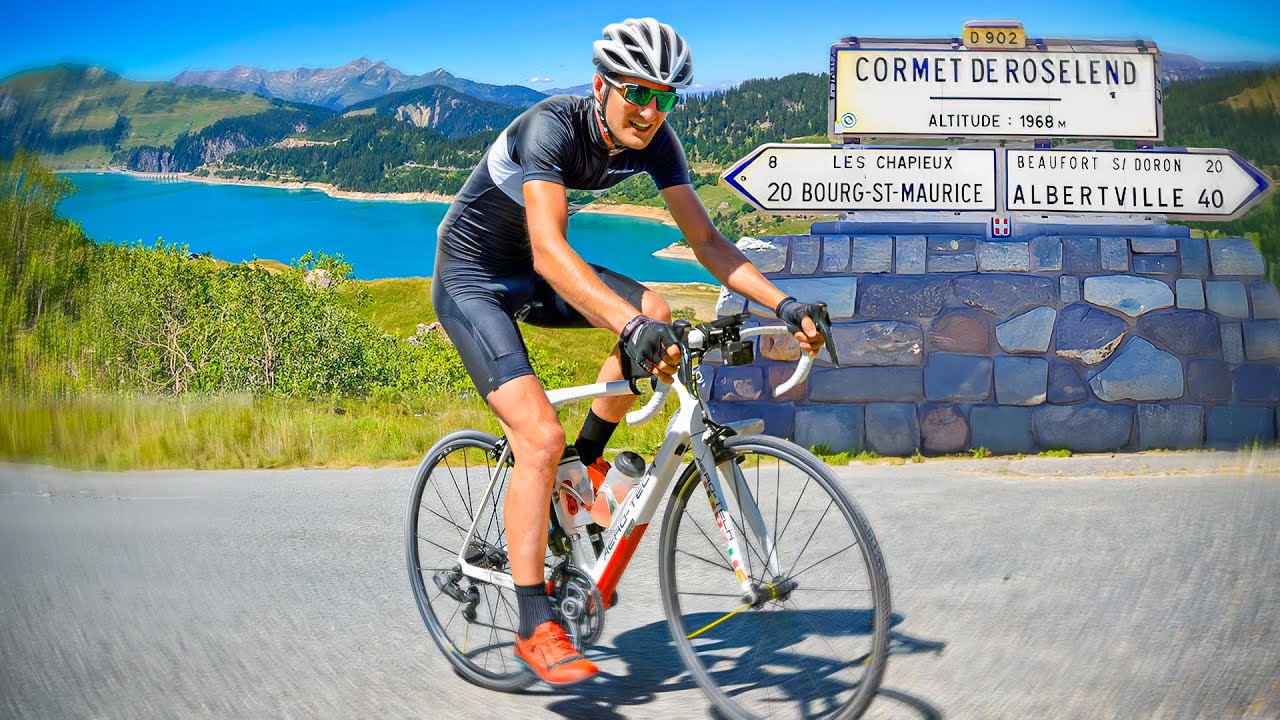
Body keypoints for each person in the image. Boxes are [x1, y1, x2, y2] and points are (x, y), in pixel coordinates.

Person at [431, 17, 827, 686]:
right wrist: (626, 327)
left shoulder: (655, 140)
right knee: (536, 432)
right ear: (601, 86)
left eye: (665, 97)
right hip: (471, 278)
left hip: (528, 270)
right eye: (638, 93)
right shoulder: (550, 128)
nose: (650, 110)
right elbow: (554, 254)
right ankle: (534, 623)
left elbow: (708, 244)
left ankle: (583, 467)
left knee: (657, 312)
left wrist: (783, 304)